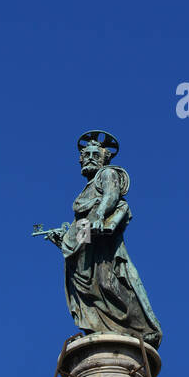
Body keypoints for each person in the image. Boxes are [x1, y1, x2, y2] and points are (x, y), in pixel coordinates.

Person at [37, 130, 162, 348]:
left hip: (101, 235)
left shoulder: (107, 174)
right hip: (85, 230)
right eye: (87, 155)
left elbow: (111, 196)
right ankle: (96, 324)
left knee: (107, 282)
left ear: (104, 157)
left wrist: (100, 215)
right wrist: (64, 238)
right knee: (82, 277)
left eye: (96, 154)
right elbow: (80, 238)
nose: (90, 159)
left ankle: (139, 327)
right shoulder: (86, 188)